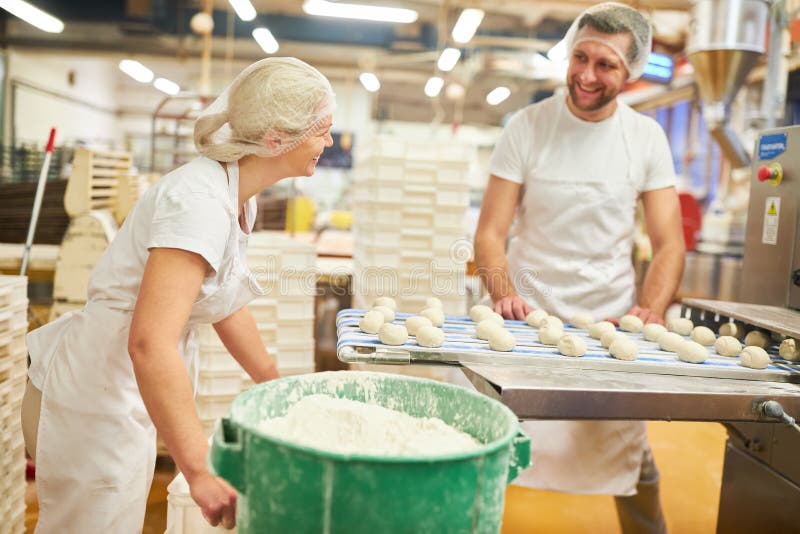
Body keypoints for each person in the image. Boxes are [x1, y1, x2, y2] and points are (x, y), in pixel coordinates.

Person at [21, 57, 335, 533]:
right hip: (93, 399)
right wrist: (200, 471)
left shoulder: (234, 194)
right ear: (276, 139)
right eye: (322, 131)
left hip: (122, 393)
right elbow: (149, 343)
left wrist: (276, 385)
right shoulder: (200, 203)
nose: (329, 143)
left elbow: (223, 301)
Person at [473, 3, 684, 533]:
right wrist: (503, 294)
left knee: (628, 458)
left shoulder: (645, 139)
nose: (587, 76)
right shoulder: (528, 126)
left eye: (606, 65)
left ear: (630, 72)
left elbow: (668, 243)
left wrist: (650, 309)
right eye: (581, 57)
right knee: (487, 451)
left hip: (606, 325)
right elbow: (491, 233)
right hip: (526, 324)